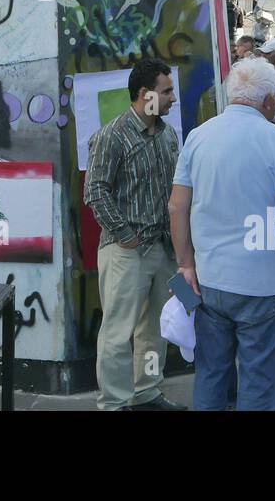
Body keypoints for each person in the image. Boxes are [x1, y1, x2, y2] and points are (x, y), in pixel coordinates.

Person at [170, 58, 275, 411]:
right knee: (259, 380)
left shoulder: (198, 136)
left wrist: (185, 265)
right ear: (269, 101)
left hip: (208, 282)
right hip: (262, 286)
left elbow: (177, 207)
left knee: (210, 374)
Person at [84, 59, 184, 411]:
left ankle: (148, 392)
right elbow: (95, 190)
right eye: (167, 91)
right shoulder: (112, 135)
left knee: (155, 328)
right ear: (146, 94)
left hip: (162, 248)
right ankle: (114, 402)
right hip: (126, 251)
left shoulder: (168, 134)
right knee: (117, 331)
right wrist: (125, 234)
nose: (173, 98)